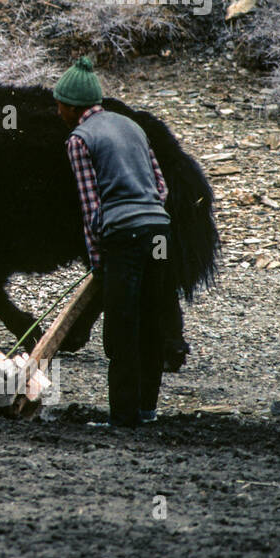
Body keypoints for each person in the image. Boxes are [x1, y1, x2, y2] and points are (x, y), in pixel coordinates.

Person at [54, 57, 177, 428]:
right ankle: (147, 410)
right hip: (160, 232)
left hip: (124, 237)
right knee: (152, 320)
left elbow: (92, 209)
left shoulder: (79, 139)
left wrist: (98, 261)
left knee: (121, 327)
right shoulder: (132, 126)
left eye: (59, 104)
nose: (57, 110)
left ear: (73, 107)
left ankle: (122, 418)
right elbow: (161, 187)